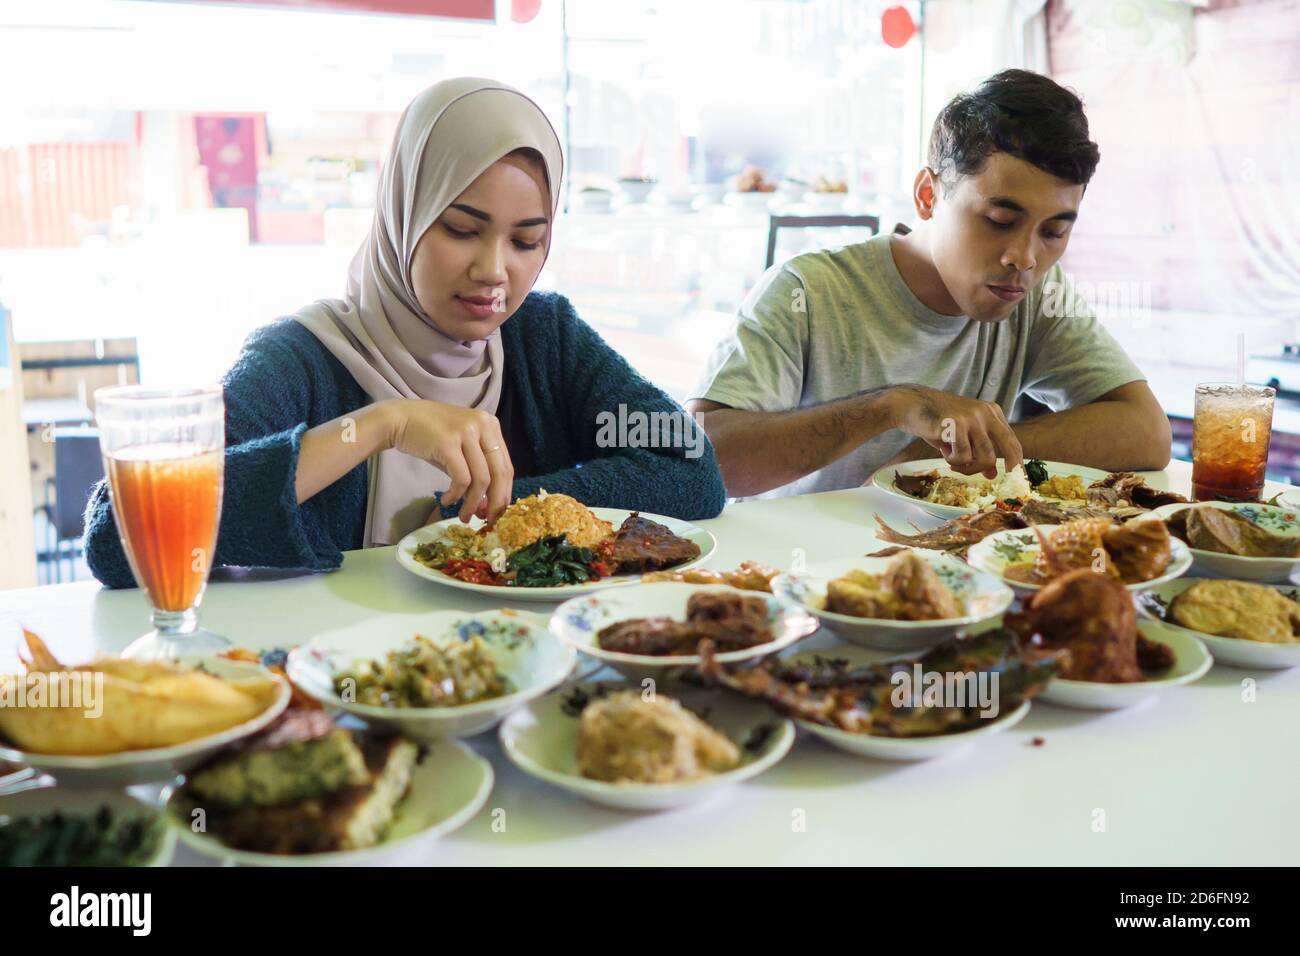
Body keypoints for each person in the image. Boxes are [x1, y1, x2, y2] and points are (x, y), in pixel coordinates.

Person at [86, 78, 725, 589]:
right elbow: (119, 536)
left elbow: (693, 469)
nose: (494, 271)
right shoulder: (302, 360)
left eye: (527, 240)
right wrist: (377, 426)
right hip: (340, 683)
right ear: (403, 214)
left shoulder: (541, 338)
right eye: (461, 229)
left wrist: (489, 515)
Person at [687, 69, 1171, 499]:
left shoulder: (1037, 291)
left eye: (1054, 231)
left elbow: (1147, 432)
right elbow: (700, 458)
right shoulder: (807, 290)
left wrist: (948, 451)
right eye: (1000, 220)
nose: (1024, 257)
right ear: (927, 195)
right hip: (802, 581)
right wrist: (889, 407)